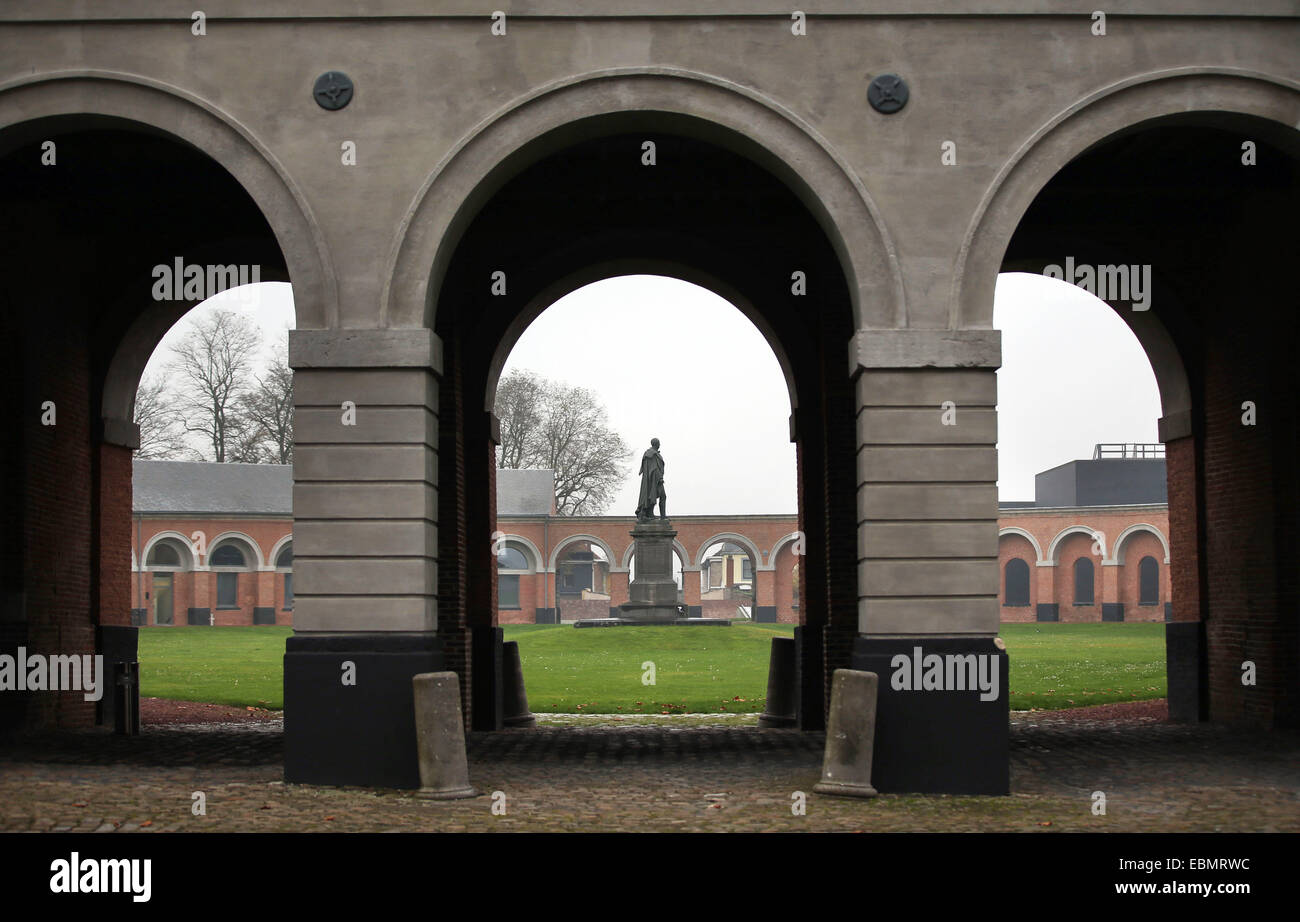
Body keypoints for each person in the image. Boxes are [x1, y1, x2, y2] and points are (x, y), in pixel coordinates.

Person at [635, 438, 667, 521]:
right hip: (654, 480)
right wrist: (659, 478)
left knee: (654, 496)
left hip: (653, 479)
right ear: (656, 444)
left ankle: (651, 514)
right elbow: (654, 468)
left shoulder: (652, 453)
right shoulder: (651, 454)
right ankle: (661, 516)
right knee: (662, 496)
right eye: (659, 443)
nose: (660, 445)